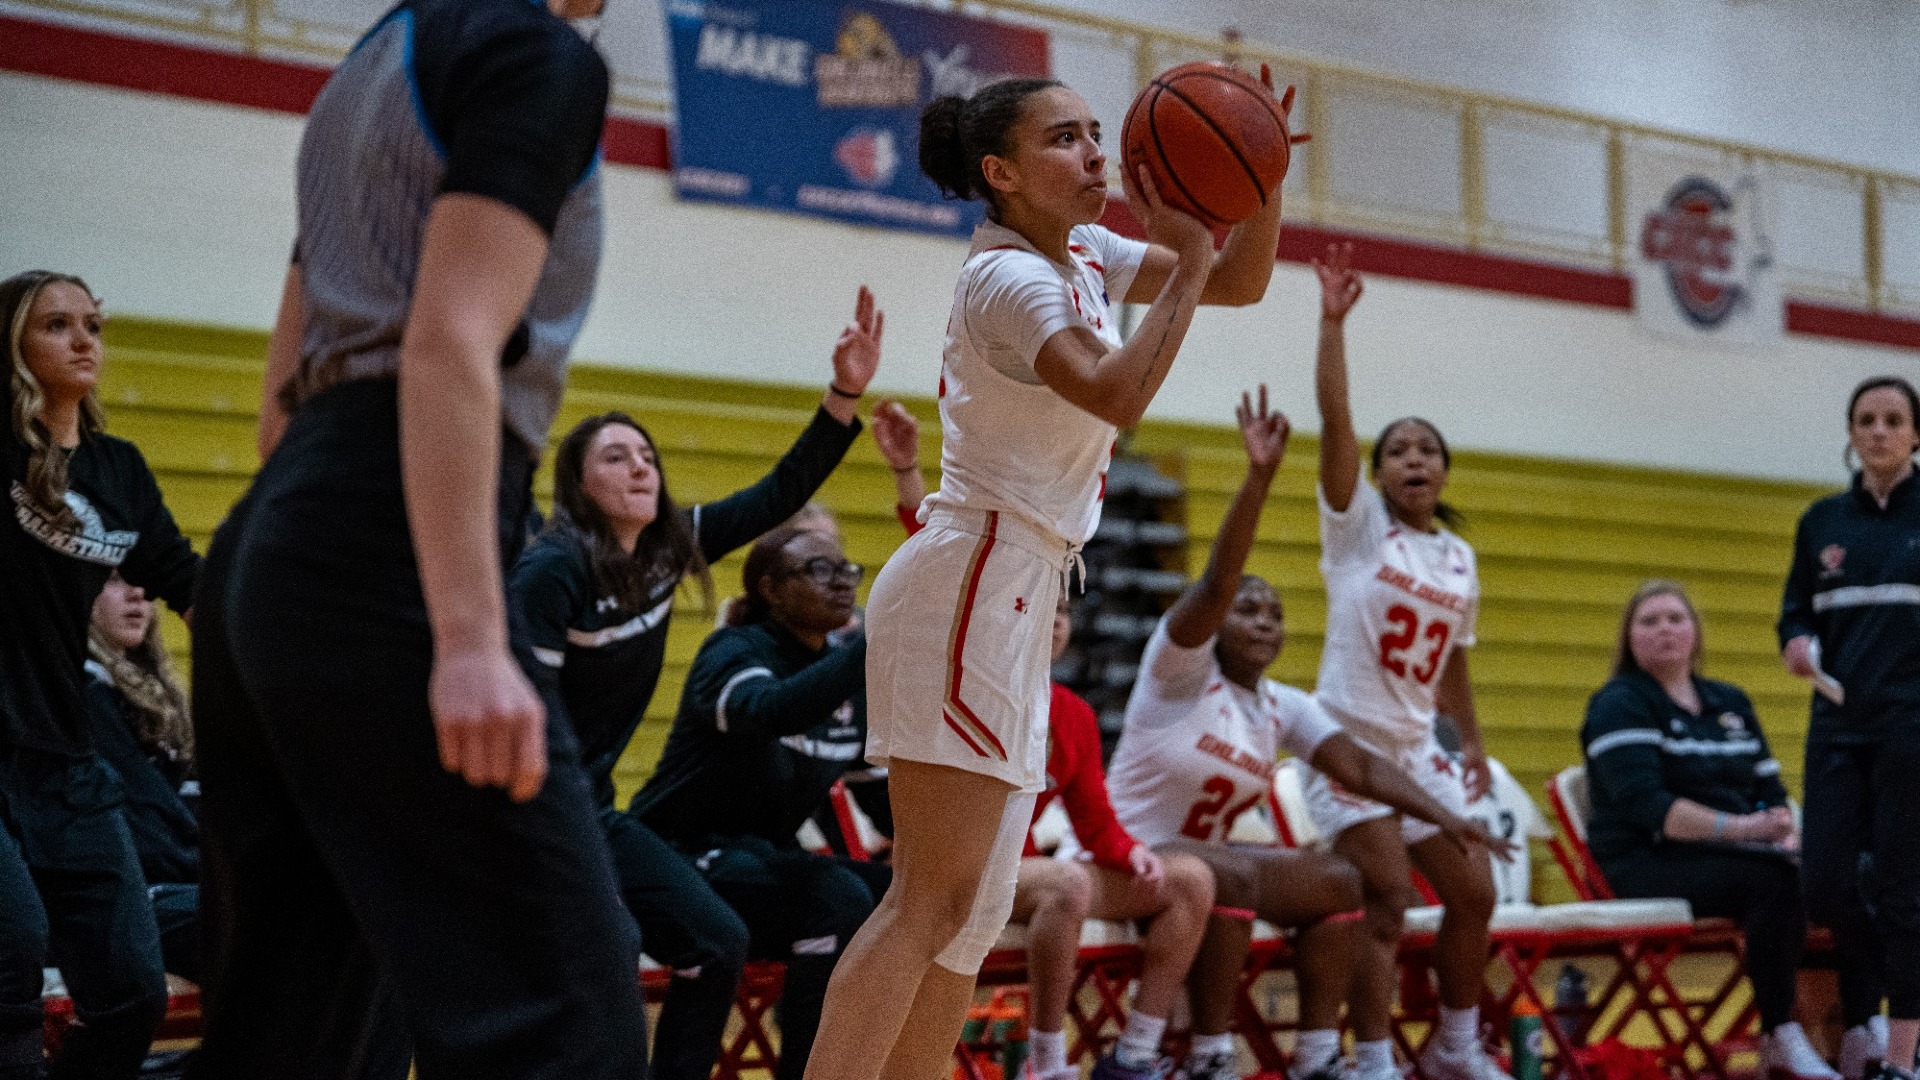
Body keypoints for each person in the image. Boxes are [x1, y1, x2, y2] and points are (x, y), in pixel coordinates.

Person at [803, 69, 1297, 1080]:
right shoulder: (1006, 280)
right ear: (1003, 173)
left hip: (1020, 586)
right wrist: (1196, 257)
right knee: (928, 898)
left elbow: (1244, 278)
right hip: (974, 574)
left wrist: (1263, 171)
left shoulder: (1082, 253)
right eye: (1065, 139)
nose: (1094, 155)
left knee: (977, 910)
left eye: (1094, 133)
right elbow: (1117, 393)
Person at [184, 0, 647, 1073]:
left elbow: (275, 419)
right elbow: (447, 342)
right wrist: (473, 639)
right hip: (386, 529)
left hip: (282, 537)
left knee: (292, 1031)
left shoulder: (368, 64)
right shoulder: (537, 55)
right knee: (571, 1021)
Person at [510, 293, 881, 1080]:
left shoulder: (667, 549)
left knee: (717, 942)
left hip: (594, 809)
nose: (639, 465)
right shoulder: (553, 569)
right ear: (578, 485)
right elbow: (529, 716)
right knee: (598, 960)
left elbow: (779, 496)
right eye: (616, 457)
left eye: (646, 456)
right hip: (521, 817)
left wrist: (842, 397)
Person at [1107, 387, 1506, 1080]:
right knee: (1227, 871)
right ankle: (1199, 1056)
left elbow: (1362, 768)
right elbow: (1217, 580)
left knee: (1338, 882)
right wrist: (1259, 479)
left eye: (1274, 613)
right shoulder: (1174, 673)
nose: (1262, 620)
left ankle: (1320, 1058)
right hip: (1131, 860)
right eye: (1246, 610)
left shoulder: (1280, 705)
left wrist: (1451, 816)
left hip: (1209, 864)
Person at [1301, 242, 1508, 1080]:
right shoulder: (1356, 532)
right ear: (1380, 473)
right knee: (1384, 895)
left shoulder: (1459, 557)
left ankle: (1456, 1047)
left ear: (1445, 469)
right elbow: (1337, 423)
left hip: (1421, 746)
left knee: (1475, 893)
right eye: (1400, 451)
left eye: (1428, 449)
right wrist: (1333, 324)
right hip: (1345, 743)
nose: (1414, 458)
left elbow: (1452, 667)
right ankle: (1373, 1060)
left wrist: (1472, 748)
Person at [0, 270, 198, 1080]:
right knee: (10, 964)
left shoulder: (119, 470)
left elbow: (195, 589)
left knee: (130, 993)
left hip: (68, 768)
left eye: (93, 324)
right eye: (56, 325)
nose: (84, 340)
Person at [632, 527, 891, 1080]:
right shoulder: (735, 650)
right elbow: (772, 710)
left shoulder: (844, 676)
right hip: (673, 856)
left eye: (847, 569)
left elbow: (884, 806)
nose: (842, 581)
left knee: (891, 896)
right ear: (771, 590)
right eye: (820, 570)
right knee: (835, 895)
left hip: (756, 863)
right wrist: (871, 647)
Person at [1585, 580, 1848, 1080]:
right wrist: (1747, 828)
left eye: (1675, 618)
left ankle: (1858, 1030)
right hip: (1647, 861)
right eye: (1649, 621)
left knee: (1845, 879)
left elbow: (1771, 791)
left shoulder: (1729, 701)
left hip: (1737, 854)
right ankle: (1779, 1033)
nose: (1664, 629)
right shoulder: (1618, 704)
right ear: (1629, 637)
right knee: (1775, 884)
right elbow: (1652, 809)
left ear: (1695, 633)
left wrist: (1777, 825)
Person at [1010, 595, 1215, 1080]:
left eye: (1061, 610)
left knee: (1190, 880)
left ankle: (1134, 1055)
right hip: (961, 865)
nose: (1054, 620)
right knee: (1067, 884)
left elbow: (1095, 822)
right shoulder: (971, 691)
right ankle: (1045, 1064)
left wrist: (1131, 852)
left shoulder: (1075, 714)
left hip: (1023, 871)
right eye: (1040, 604)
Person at [1780, 375, 1920, 1080]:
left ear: (1916, 434)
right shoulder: (1820, 523)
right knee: (1827, 884)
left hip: (1911, 729)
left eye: (1894, 419)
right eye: (1866, 419)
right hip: (1836, 727)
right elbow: (1794, 613)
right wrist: (1797, 641)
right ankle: (1874, 1008)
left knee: (1903, 887)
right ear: (1850, 432)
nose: (1879, 431)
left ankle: (1902, 1054)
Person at [84, 573, 201, 984]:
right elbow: (146, 823)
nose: (137, 593)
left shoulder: (160, 696)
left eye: (143, 580)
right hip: (127, 898)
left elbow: (198, 802)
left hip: (175, 882)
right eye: (113, 581)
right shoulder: (84, 694)